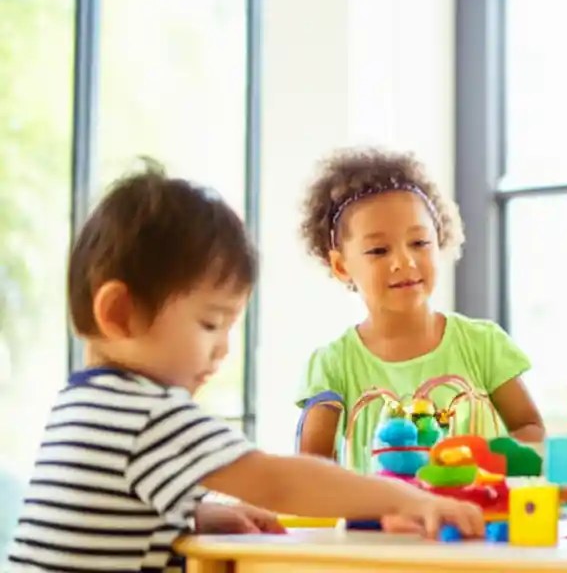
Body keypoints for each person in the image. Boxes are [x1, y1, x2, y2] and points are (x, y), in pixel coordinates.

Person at [7, 164, 483, 573]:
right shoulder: (148, 411)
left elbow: (103, 518)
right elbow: (277, 479)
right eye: (211, 323)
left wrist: (196, 514)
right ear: (119, 312)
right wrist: (410, 499)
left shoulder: (84, 400)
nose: (223, 350)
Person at [295, 148, 543, 473]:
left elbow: (531, 431)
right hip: (379, 523)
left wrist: (482, 461)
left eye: (419, 243)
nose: (405, 261)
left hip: (478, 518)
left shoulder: (484, 345)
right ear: (341, 266)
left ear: (439, 241)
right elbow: (312, 469)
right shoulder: (333, 364)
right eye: (379, 250)